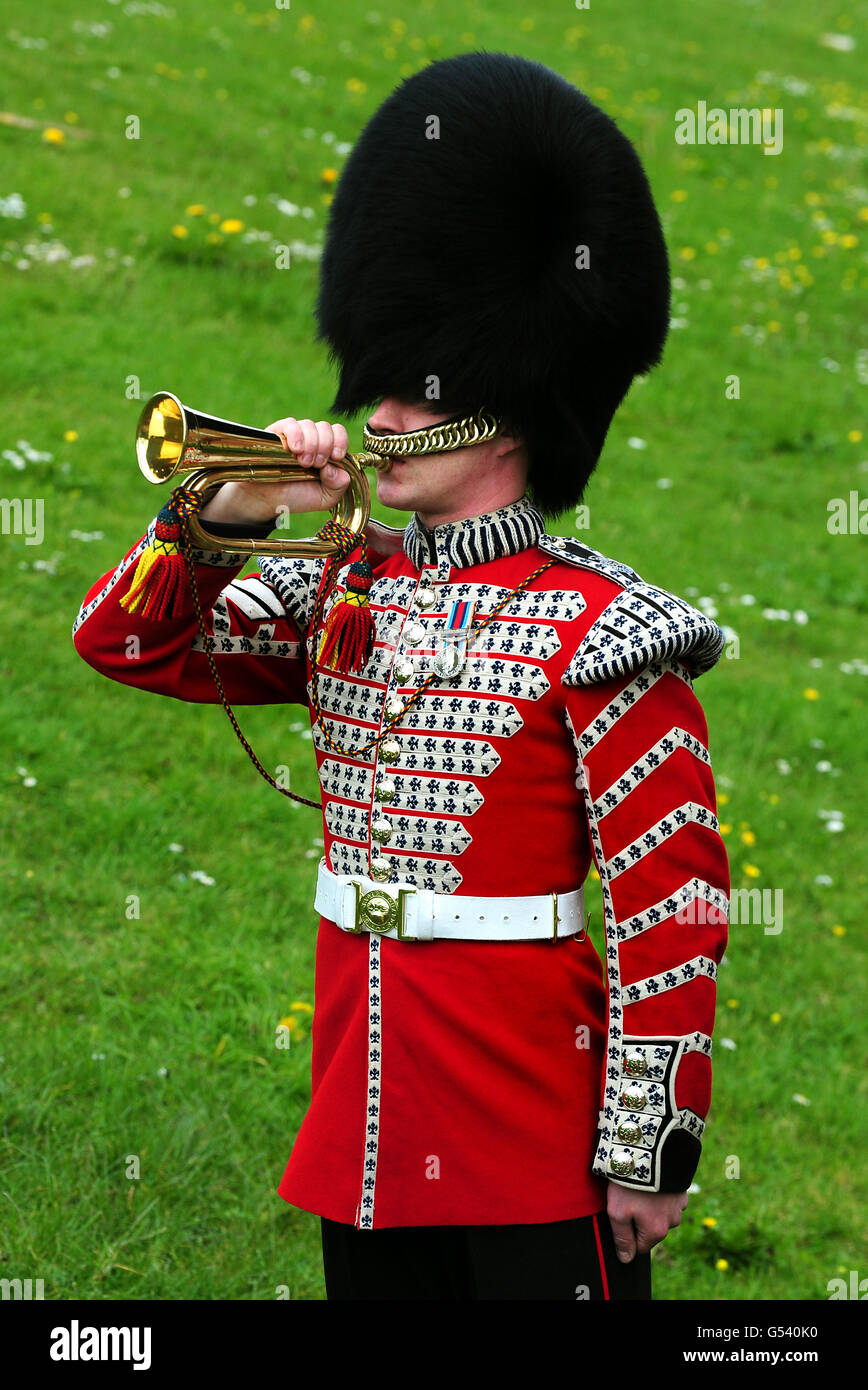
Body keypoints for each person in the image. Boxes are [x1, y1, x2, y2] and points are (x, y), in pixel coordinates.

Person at [72, 52, 730, 1301]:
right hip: (366, 1115)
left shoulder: (605, 631)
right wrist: (231, 501)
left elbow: (669, 920)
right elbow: (124, 643)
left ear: (509, 411)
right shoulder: (344, 587)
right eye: (373, 377)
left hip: (533, 1140)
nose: (375, 416)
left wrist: (648, 1150)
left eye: (413, 387)